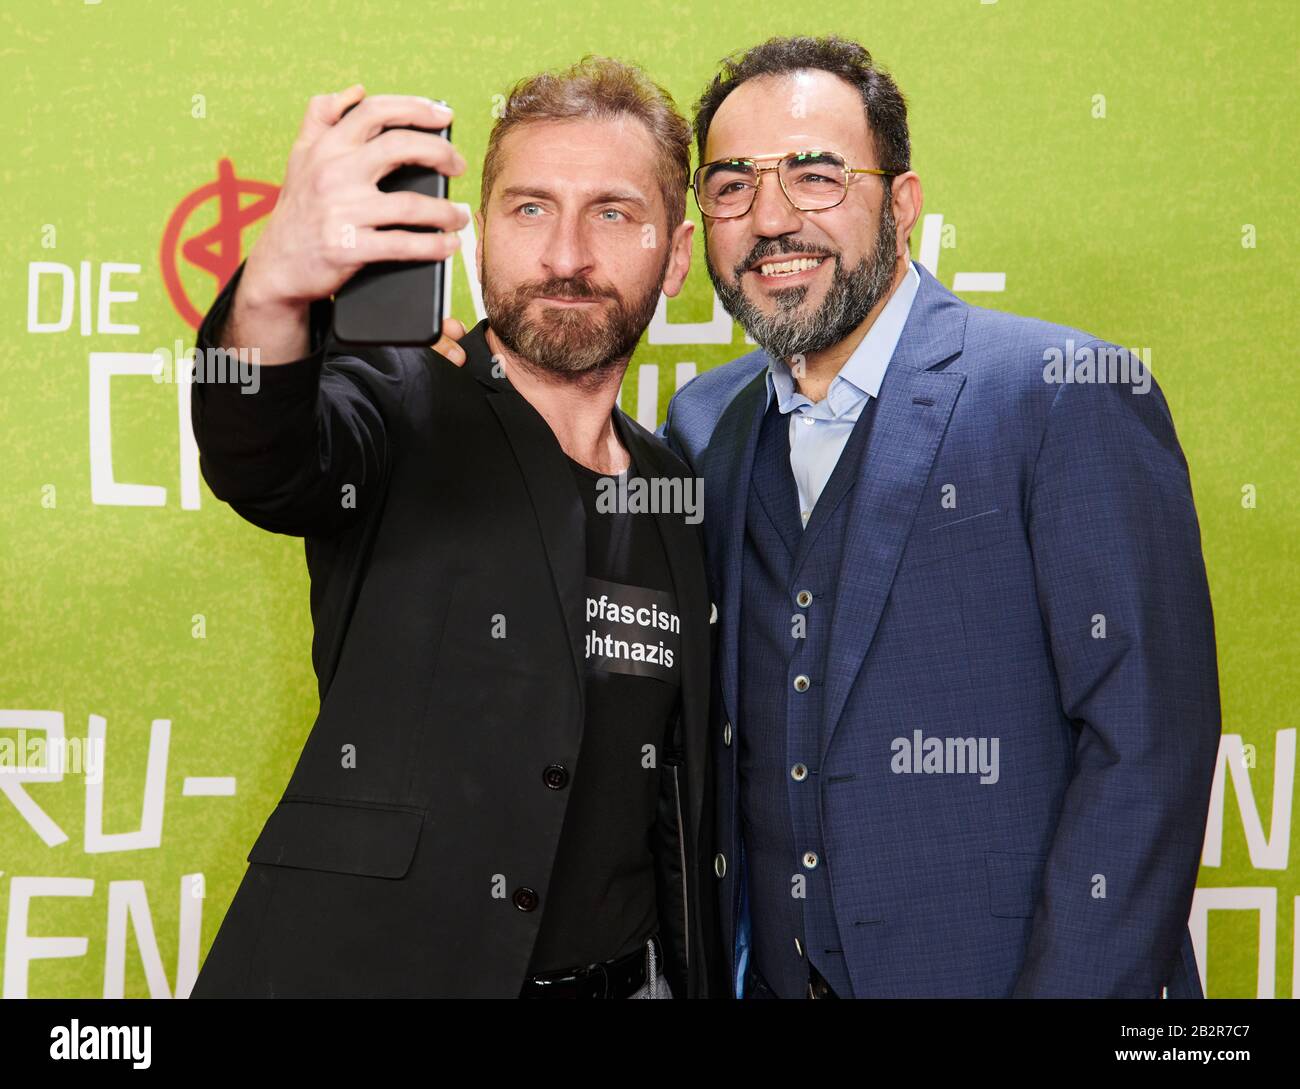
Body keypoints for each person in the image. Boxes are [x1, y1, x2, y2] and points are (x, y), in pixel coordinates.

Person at [661, 35, 1221, 998]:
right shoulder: (704, 426)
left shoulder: (1062, 394)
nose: (772, 219)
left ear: (904, 203)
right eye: (732, 187)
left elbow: (1147, 758)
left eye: (817, 176)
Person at [188, 57, 717, 999]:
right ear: (474, 236)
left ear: (676, 254)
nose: (565, 254)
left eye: (613, 213)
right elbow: (256, 455)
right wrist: (272, 290)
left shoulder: (675, 484)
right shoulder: (395, 400)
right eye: (529, 208)